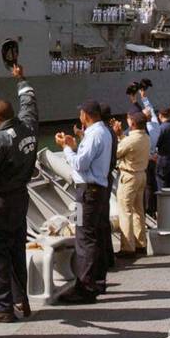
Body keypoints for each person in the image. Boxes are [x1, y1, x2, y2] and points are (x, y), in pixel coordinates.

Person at [0, 65, 38, 322]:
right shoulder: (29, 126)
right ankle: (21, 300)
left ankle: (1, 307)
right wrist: (21, 79)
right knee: (17, 248)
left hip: (0, 200)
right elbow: (29, 101)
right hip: (21, 198)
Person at [56, 100, 113, 303]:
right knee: (95, 235)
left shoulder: (94, 134)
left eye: (81, 113)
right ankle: (97, 281)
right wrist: (74, 145)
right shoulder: (103, 132)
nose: (80, 116)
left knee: (84, 237)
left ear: (86, 116)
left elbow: (80, 164)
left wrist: (66, 149)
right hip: (97, 191)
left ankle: (85, 288)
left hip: (86, 192)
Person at [114, 110, 151, 255]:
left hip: (129, 176)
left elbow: (116, 152)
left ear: (133, 124)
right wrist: (121, 136)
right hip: (141, 175)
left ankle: (127, 247)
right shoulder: (145, 137)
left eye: (129, 121)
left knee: (125, 211)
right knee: (138, 211)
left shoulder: (130, 140)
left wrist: (116, 135)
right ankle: (141, 243)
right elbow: (129, 145)